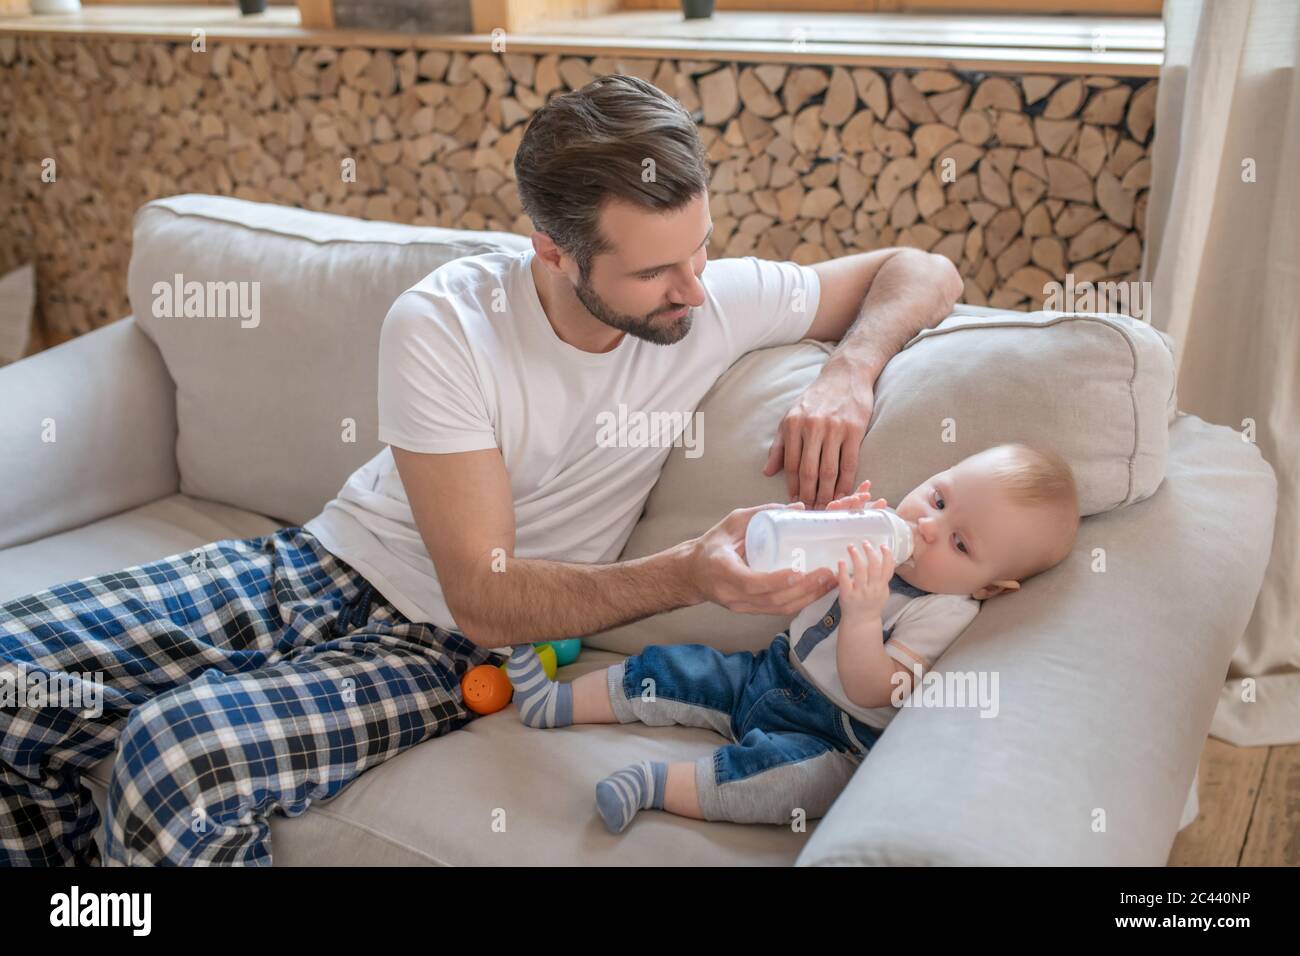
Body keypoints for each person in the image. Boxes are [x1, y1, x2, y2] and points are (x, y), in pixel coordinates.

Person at [0, 73, 961, 866]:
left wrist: (850, 368)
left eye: (701, 246)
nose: (694, 288)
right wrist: (685, 574)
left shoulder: (711, 303)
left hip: (445, 651)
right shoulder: (445, 322)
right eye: (656, 271)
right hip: (326, 564)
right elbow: (486, 587)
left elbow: (921, 269)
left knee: (175, 761)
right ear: (553, 250)